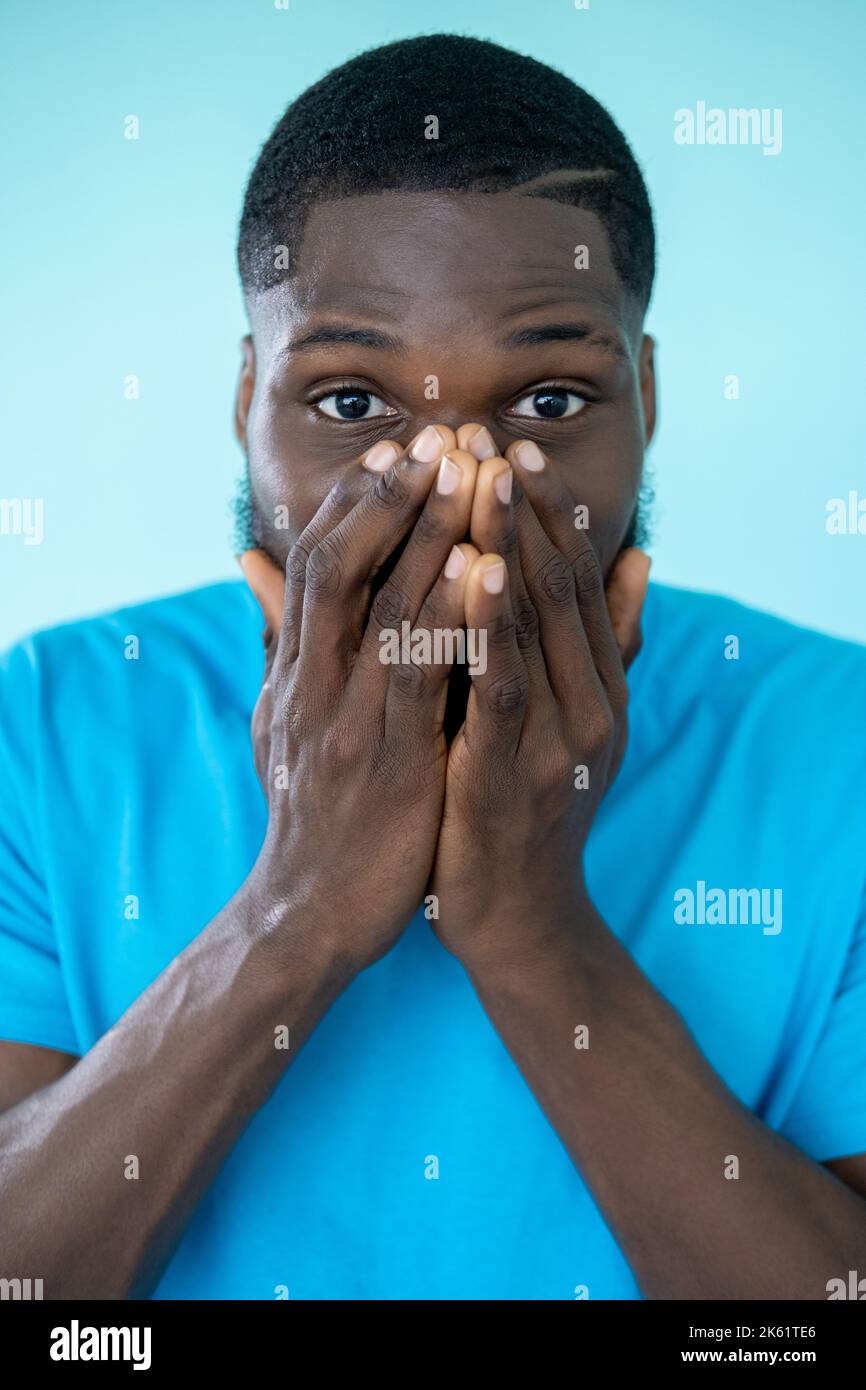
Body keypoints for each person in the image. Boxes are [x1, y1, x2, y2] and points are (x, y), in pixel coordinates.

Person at [1, 33, 865, 1302]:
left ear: (648, 396)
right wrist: (295, 907)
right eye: (352, 404)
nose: (456, 493)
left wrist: (530, 927)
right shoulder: (45, 723)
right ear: (248, 397)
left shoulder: (834, 740)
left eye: (551, 403)